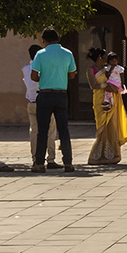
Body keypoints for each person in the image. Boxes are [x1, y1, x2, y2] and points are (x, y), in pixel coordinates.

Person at [30, 28, 77, 173]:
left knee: (42, 130)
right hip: (61, 95)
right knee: (63, 129)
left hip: (45, 95)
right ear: (58, 39)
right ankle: (68, 163)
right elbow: (72, 74)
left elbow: (33, 76)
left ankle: (39, 163)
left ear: (44, 40)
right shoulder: (67, 53)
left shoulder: (40, 54)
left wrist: (43, 78)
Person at [88, 52, 127, 165]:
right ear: (99, 58)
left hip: (112, 99)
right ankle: (97, 156)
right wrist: (106, 86)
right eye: (104, 58)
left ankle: (113, 155)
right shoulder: (91, 69)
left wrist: (116, 87)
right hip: (100, 99)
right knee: (102, 126)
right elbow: (93, 85)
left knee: (112, 125)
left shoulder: (108, 69)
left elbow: (118, 78)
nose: (106, 60)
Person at [22, 44, 56, 169]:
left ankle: (35, 159)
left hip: (31, 102)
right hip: (44, 101)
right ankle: (50, 159)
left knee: (34, 132)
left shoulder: (26, 69)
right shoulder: (43, 68)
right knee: (50, 131)